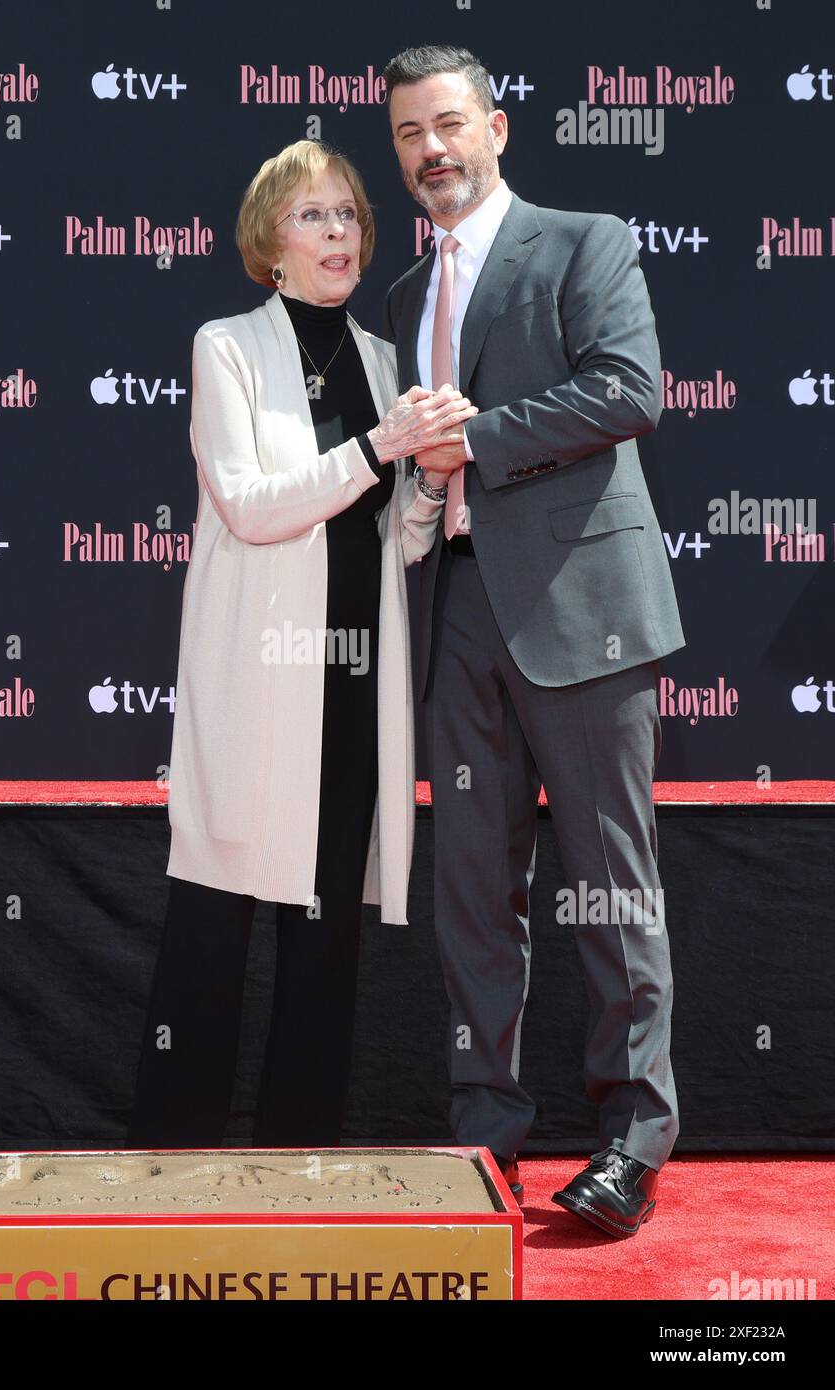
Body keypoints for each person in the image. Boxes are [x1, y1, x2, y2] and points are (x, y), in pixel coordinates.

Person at [380, 44, 686, 1237]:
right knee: (470, 888)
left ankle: (630, 1139)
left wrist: (476, 439)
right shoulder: (406, 299)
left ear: (495, 129)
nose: (430, 151)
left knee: (612, 883)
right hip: (456, 613)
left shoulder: (582, 238)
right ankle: (483, 1134)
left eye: (447, 125)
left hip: (582, 609)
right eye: (407, 134)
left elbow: (629, 389)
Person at [128, 139, 475, 1148]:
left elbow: (392, 538)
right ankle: (172, 1162)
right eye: (315, 216)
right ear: (269, 242)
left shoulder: (379, 361)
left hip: (352, 689)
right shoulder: (226, 345)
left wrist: (423, 481)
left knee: (324, 950)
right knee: (210, 933)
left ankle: (298, 1162)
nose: (340, 233)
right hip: (257, 684)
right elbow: (248, 506)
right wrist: (380, 448)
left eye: (351, 217)